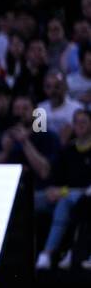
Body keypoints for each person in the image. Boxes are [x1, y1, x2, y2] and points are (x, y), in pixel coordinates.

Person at [35, 108, 91, 270]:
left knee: (65, 201)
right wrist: (53, 189)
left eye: (83, 122)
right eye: (76, 122)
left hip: (84, 194)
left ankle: (47, 253)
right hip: (64, 193)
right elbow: (56, 177)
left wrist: (63, 192)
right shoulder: (67, 150)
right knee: (34, 199)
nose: (79, 125)